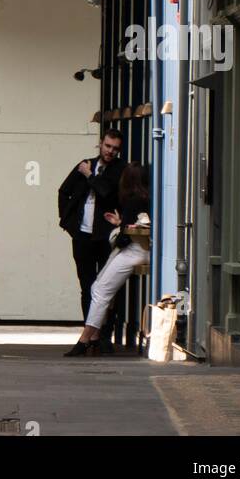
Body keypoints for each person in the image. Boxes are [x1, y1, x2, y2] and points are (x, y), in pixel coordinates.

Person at [64, 162, 151, 357]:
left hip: (133, 251)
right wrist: (120, 223)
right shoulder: (145, 199)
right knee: (98, 289)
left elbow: (125, 237)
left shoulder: (131, 200)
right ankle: (93, 336)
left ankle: (85, 339)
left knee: (100, 289)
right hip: (141, 249)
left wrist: (117, 232)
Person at [57, 129, 124, 352]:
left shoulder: (118, 170)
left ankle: (102, 335)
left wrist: (90, 176)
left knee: (106, 287)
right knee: (86, 285)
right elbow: (63, 191)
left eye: (115, 148)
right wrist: (68, 222)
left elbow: (107, 193)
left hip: (105, 238)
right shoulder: (85, 164)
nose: (110, 151)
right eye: (107, 146)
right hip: (83, 236)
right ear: (101, 144)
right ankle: (91, 333)